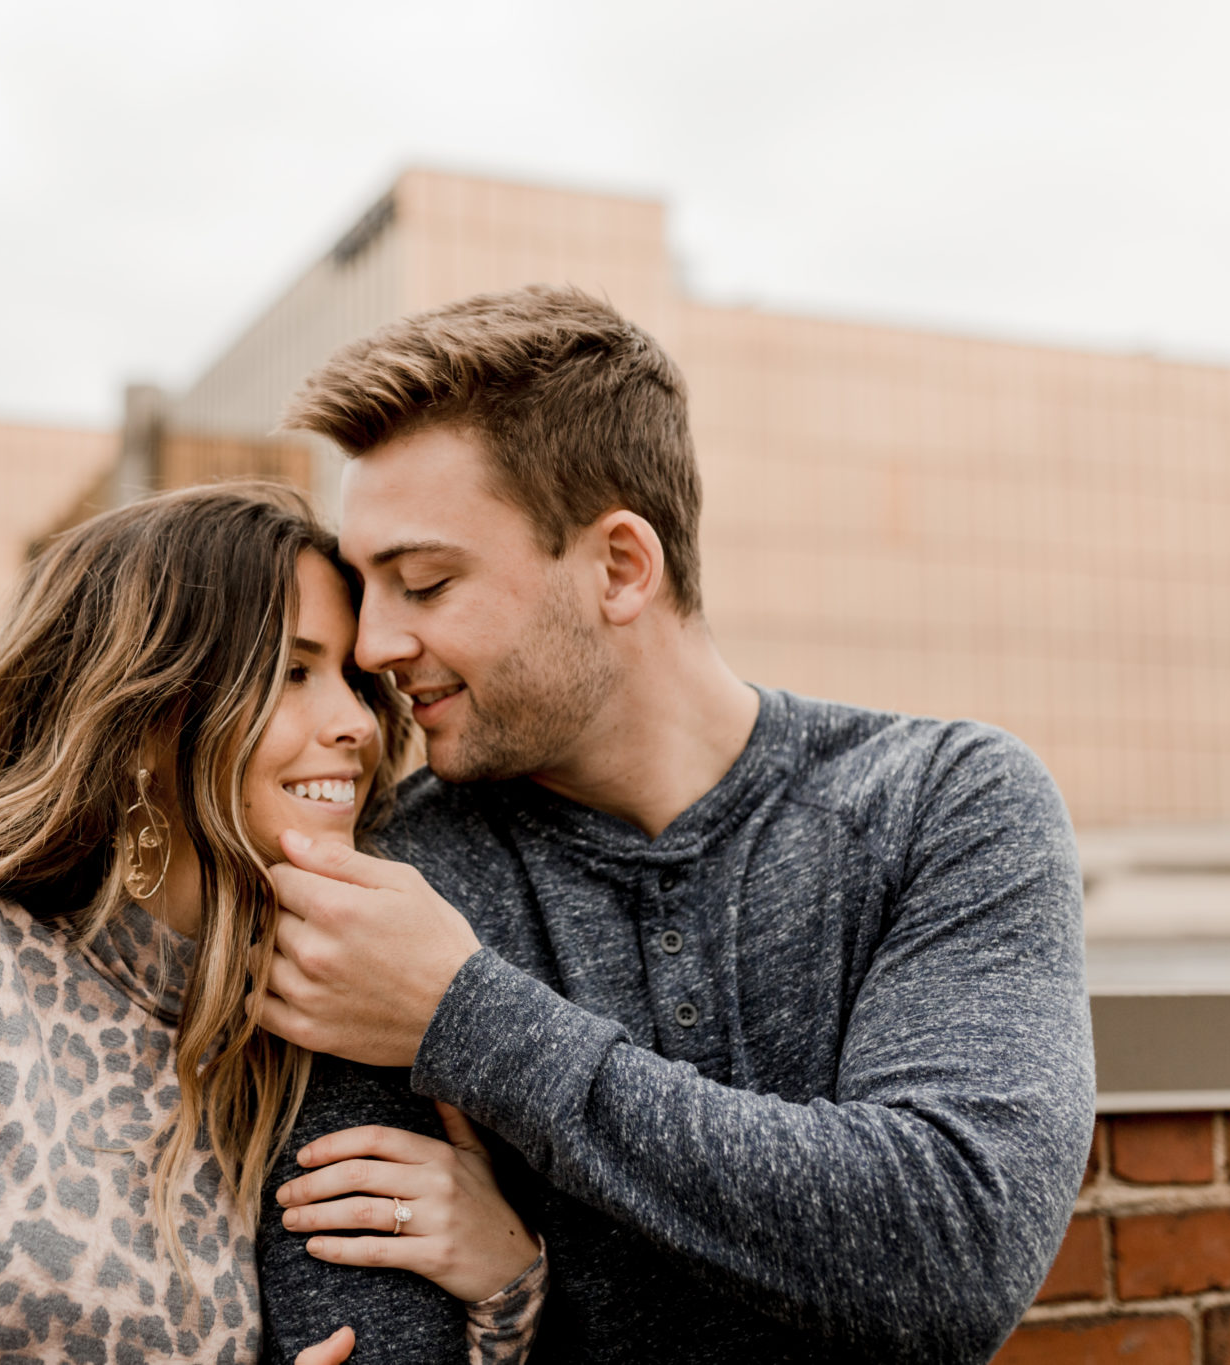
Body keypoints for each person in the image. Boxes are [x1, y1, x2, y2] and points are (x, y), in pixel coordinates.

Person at [252, 286, 1096, 1363]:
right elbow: (368, 1340)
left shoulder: (942, 803)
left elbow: (947, 1251)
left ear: (618, 567)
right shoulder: (391, 886)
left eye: (422, 582)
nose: (372, 645)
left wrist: (463, 1016)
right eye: (365, 588)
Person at [0, 485, 547, 1365]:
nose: (356, 722)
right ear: (143, 717)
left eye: (354, 679)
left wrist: (507, 1288)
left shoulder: (299, 1019)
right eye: (292, 672)